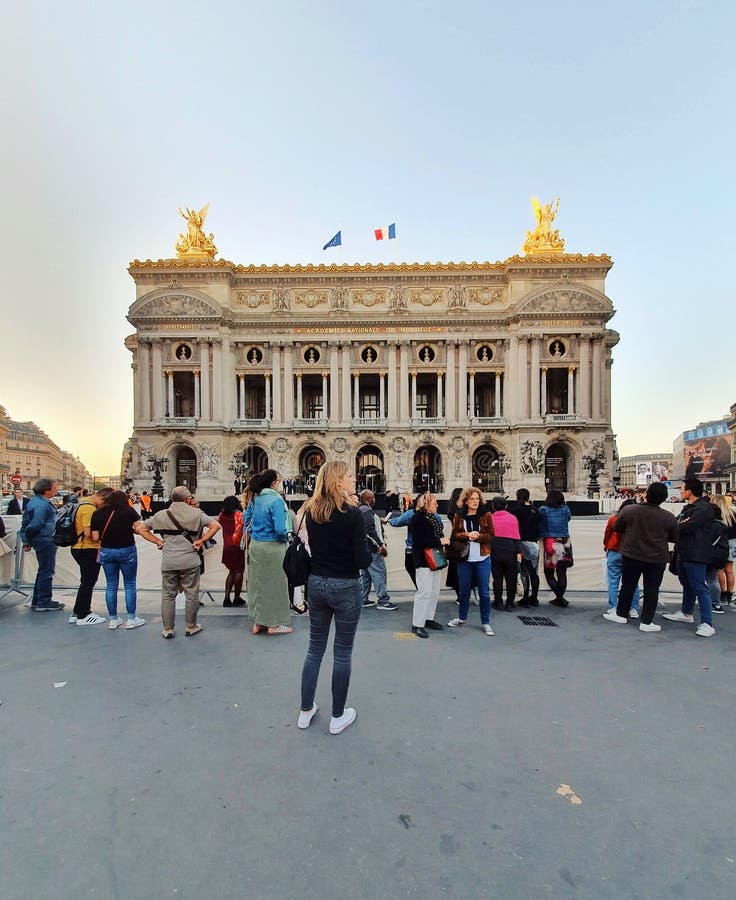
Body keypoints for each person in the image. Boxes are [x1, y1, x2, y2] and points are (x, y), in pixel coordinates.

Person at [298, 461, 370, 735]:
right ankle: (337, 716)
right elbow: (363, 559)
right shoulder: (352, 515)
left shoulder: (312, 511)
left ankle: (306, 710)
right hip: (346, 586)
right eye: (349, 476)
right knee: (342, 652)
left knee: (314, 649)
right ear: (338, 481)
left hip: (316, 583)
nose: (354, 479)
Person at [141, 486, 221, 638]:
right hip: (190, 559)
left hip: (169, 560)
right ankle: (191, 626)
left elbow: (141, 528)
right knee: (192, 594)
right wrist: (201, 540)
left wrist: (158, 541)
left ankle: (168, 629)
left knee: (168, 595)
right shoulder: (197, 513)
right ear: (186, 499)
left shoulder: (161, 514)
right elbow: (215, 526)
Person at [602, 482, 677, 632]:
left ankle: (621, 614)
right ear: (664, 498)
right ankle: (647, 622)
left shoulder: (630, 510)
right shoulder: (669, 517)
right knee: (652, 589)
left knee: (628, 585)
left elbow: (617, 527)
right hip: (656, 557)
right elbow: (674, 537)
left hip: (632, 554)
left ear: (646, 494)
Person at [664, 478, 717, 637]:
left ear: (689, 491)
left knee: (700, 586)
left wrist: (677, 525)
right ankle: (686, 612)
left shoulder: (702, 509)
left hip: (695, 552)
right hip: (684, 551)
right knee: (687, 583)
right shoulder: (689, 507)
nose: (680, 491)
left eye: (682, 488)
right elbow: (677, 523)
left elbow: (683, 526)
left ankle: (707, 623)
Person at [242, 469, 292, 635]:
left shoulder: (255, 498)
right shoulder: (276, 500)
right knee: (275, 584)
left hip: (256, 545)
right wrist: (286, 537)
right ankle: (273, 624)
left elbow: (246, 520)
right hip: (272, 546)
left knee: (257, 584)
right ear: (274, 482)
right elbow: (279, 528)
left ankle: (258, 622)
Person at [91, 490, 148, 630]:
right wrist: (128, 529)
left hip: (106, 551)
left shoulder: (97, 513)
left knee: (111, 584)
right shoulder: (129, 511)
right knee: (129, 584)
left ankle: (113, 619)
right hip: (126, 549)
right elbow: (139, 528)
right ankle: (131, 619)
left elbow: (95, 537)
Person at [447, 487, 494, 635]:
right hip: (465, 558)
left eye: (477, 499)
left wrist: (478, 536)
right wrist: (467, 535)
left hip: (482, 557)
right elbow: (454, 535)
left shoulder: (486, 515)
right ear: (466, 501)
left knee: (484, 592)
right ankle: (462, 618)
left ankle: (486, 622)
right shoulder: (459, 515)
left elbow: (491, 535)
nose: (475, 502)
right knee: (464, 590)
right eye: (472, 499)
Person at [68, 487, 112, 625]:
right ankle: (83, 614)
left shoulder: (81, 502)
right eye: (105, 504)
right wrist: (101, 538)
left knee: (85, 581)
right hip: (87, 548)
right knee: (88, 582)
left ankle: (77, 612)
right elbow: (88, 533)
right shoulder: (89, 508)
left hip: (79, 547)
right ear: (102, 498)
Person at [409, 492, 450, 638]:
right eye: (434, 503)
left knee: (433, 592)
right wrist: (441, 541)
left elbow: (434, 537)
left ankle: (428, 618)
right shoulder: (417, 519)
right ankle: (417, 624)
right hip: (423, 560)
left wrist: (441, 540)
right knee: (424, 592)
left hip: (434, 559)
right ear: (426, 504)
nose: (437, 505)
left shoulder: (431, 518)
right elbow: (421, 540)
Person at [20, 477, 63, 611]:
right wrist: (28, 538)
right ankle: (44, 601)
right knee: (47, 571)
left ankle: (38, 599)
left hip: (41, 539)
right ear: (46, 490)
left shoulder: (37, 502)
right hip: (45, 539)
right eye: (55, 487)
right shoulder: (41, 504)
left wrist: (27, 540)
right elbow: (36, 524)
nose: (56, 490)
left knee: (43, 570)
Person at [358, 489, 397, 611]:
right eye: (373, 497)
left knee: (365, 575)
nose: (375, 499)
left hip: (363, 549)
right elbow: (369, 530)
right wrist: (380, 545)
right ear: (368, 499)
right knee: (379, 573)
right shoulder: (366, 511)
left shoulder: (361, 510)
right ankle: (383, 601)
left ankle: (362, 599)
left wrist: (379, 520)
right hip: (372, 548)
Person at [602, 498, 640, 617]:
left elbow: (607, 534)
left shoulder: (614, 519)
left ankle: (613, 607)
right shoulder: (638, 522)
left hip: (614, 550)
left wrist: (606, 547)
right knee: (633, 582)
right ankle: (633, 608)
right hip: (632, 552)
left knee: (613, 581)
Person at [538, 490, 573, 607]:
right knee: (562, 572)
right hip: (564, 541)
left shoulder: (544, 510)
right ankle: (560, 598)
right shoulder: (565, 509)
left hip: (551, 540)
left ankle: (559, 597)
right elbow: (568, 519)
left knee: (549, 572)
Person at [507, 488, 540, 607]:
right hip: (534, 543)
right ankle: (534, 597)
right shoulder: (536, 511)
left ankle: (525, 597)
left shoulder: (515, 511)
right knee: (534, 572)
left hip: (521, 543)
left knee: (524, 571)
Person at [489, 496, 523, 611]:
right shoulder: (512, 518)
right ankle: (510, 602)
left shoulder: (490, 518)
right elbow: (516, 536)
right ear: (506, 506)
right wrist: (518, 551)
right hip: (510, 551)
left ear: (493, 506)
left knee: (497, 578)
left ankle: (498, 602)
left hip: (495, 550)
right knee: (511, 578)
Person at [218, 495, 246, 607]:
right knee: (239, 571)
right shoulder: (239, 515)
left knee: (231, 572)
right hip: (237, 545)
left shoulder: (221, 516)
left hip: (227, 546)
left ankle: (226, 598)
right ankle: (237, 597)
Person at [711, 494, 736, 606]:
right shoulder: (733, 513)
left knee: (719, 570)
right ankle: (730, 595)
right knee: (729, 570)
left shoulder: (716, 514)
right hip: (733, 542)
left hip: (721, 543)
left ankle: (722, 593)